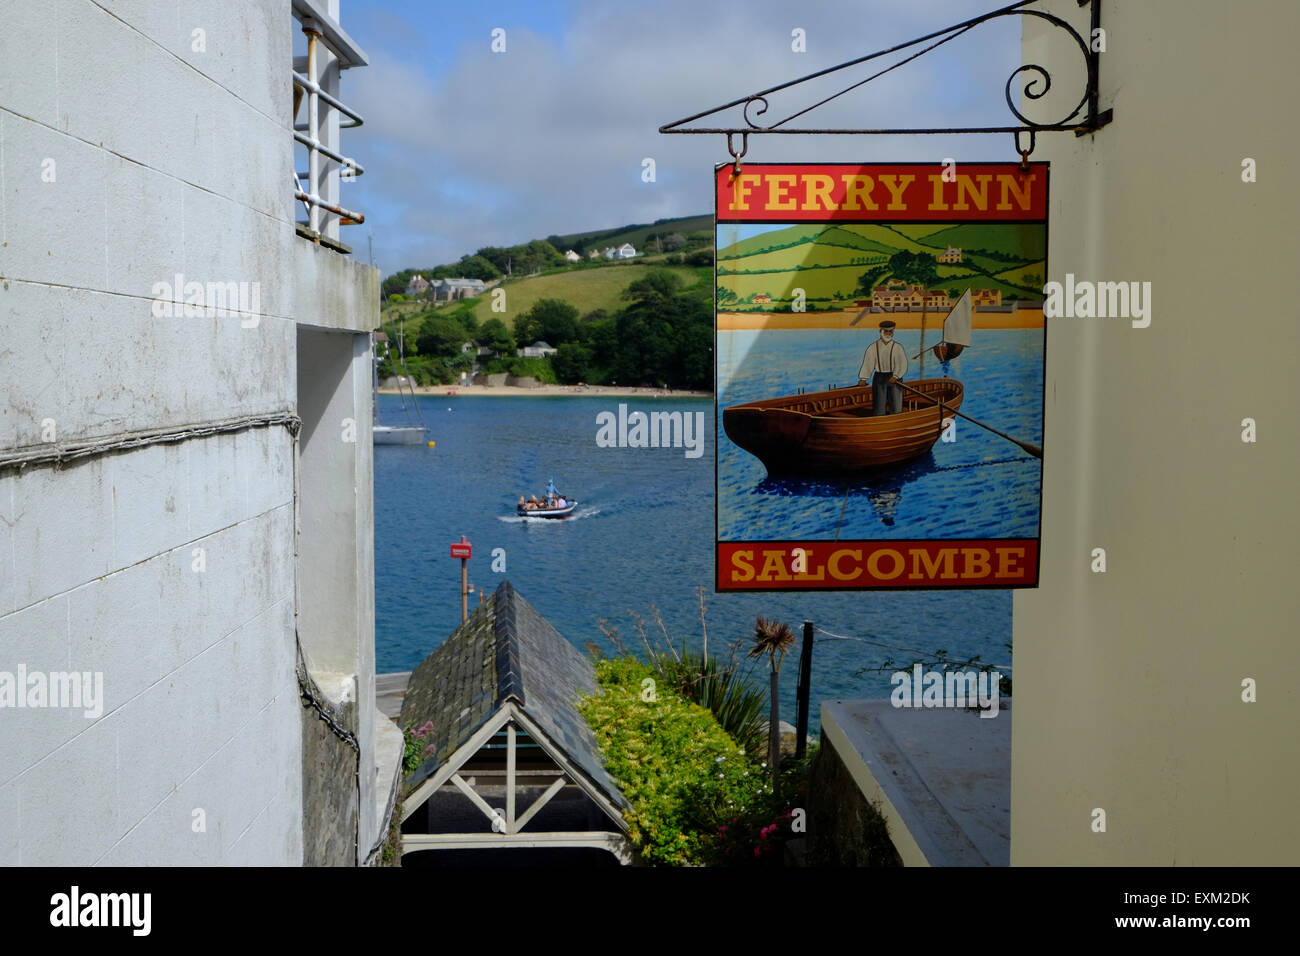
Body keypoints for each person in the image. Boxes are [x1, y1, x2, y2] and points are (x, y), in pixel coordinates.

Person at [858, 319, 908, 415]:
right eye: (886, 331)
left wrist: (896, 376)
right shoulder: (873, 347)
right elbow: (868, 363)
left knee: (896, 406)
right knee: (879, 406)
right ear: (880, 331)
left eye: (890, 331)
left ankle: (896, 422)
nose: (888, 334)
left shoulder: (898, 347)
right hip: (879, 378)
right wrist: (863, 378)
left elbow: (902, 364)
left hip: (894, 378)